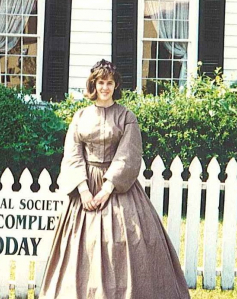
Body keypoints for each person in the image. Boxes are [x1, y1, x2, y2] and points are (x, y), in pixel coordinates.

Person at [40, 60, 190, 298]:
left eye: (109, 83)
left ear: (115, 85)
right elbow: (72, 153)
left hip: (119, 188)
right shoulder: (80, 116)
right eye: (100, 82)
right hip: (85, 187)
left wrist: (108, 187)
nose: (105, 87)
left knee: (128, 241)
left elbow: (128, 154)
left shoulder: (126, 117)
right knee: (82, 244)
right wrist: (84, 190)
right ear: (94, 84)